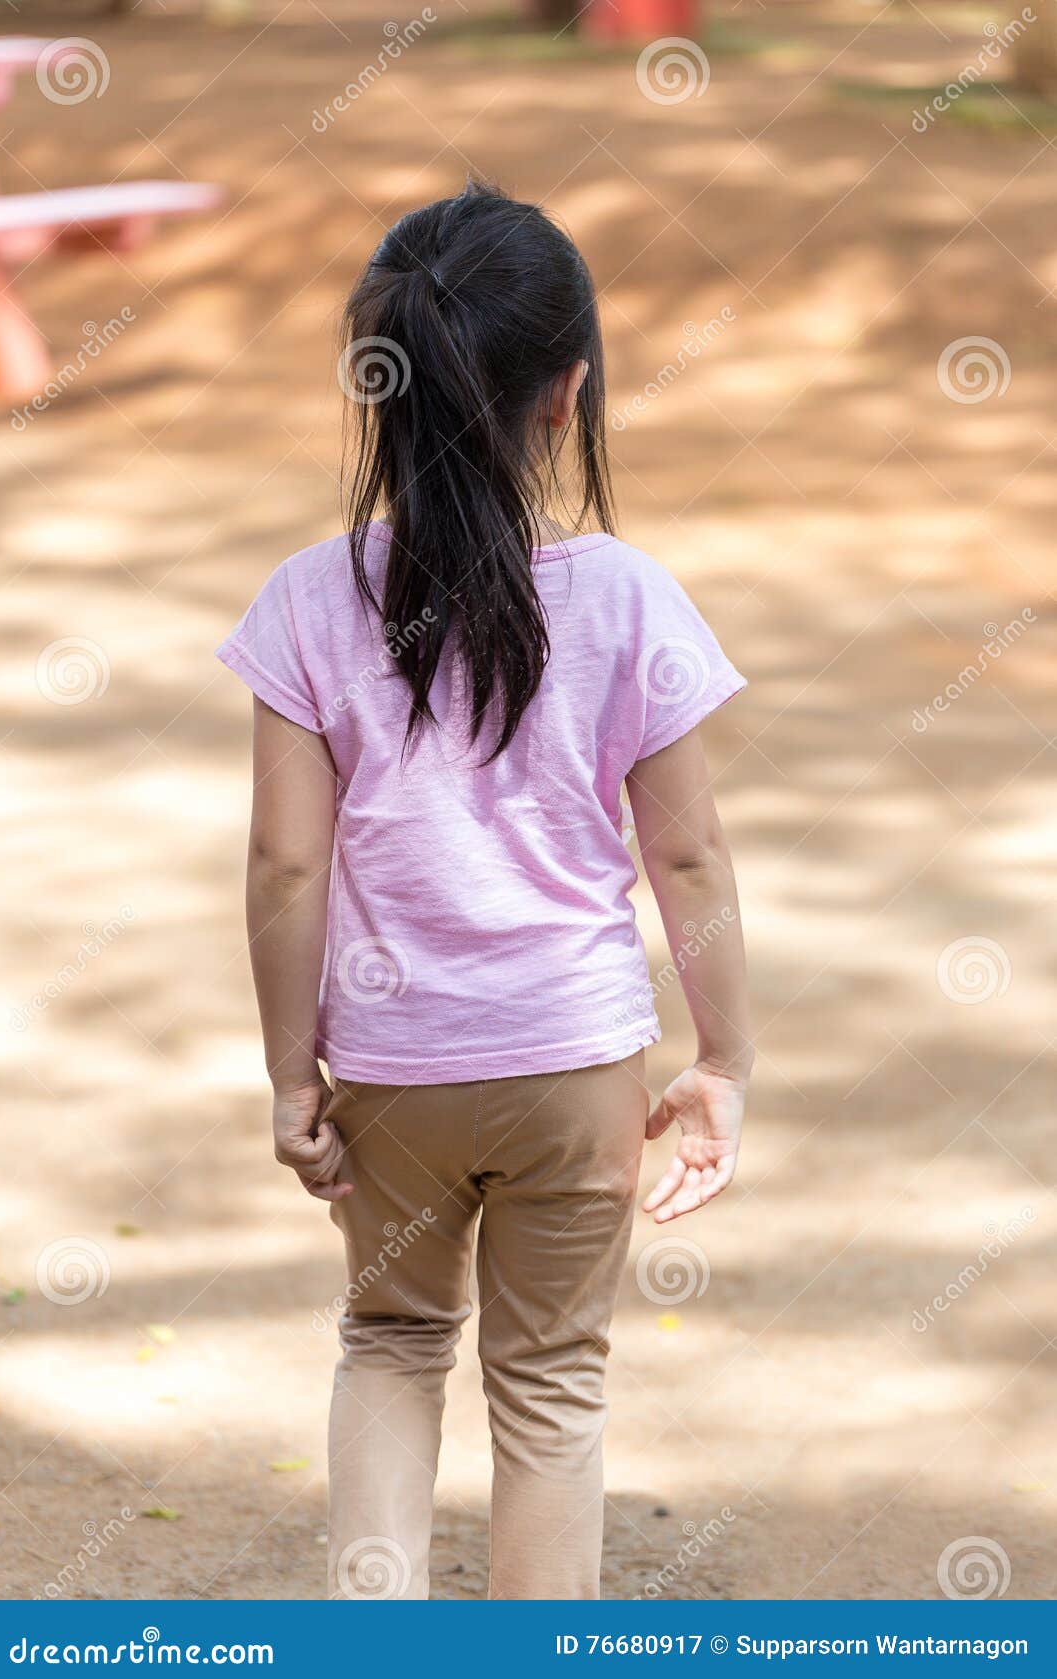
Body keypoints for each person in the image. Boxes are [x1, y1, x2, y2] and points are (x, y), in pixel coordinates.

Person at [217, 181, 751, 1601]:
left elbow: (285, 862)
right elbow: (687, 857)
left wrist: (290, 1077)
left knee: (391, 1341)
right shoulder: (631, 597)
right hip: (576, 1058)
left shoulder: (305, 602)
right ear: (568, 393)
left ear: (379, 390)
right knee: (553, 1383)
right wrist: (728, 1057)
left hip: (395, 1066)